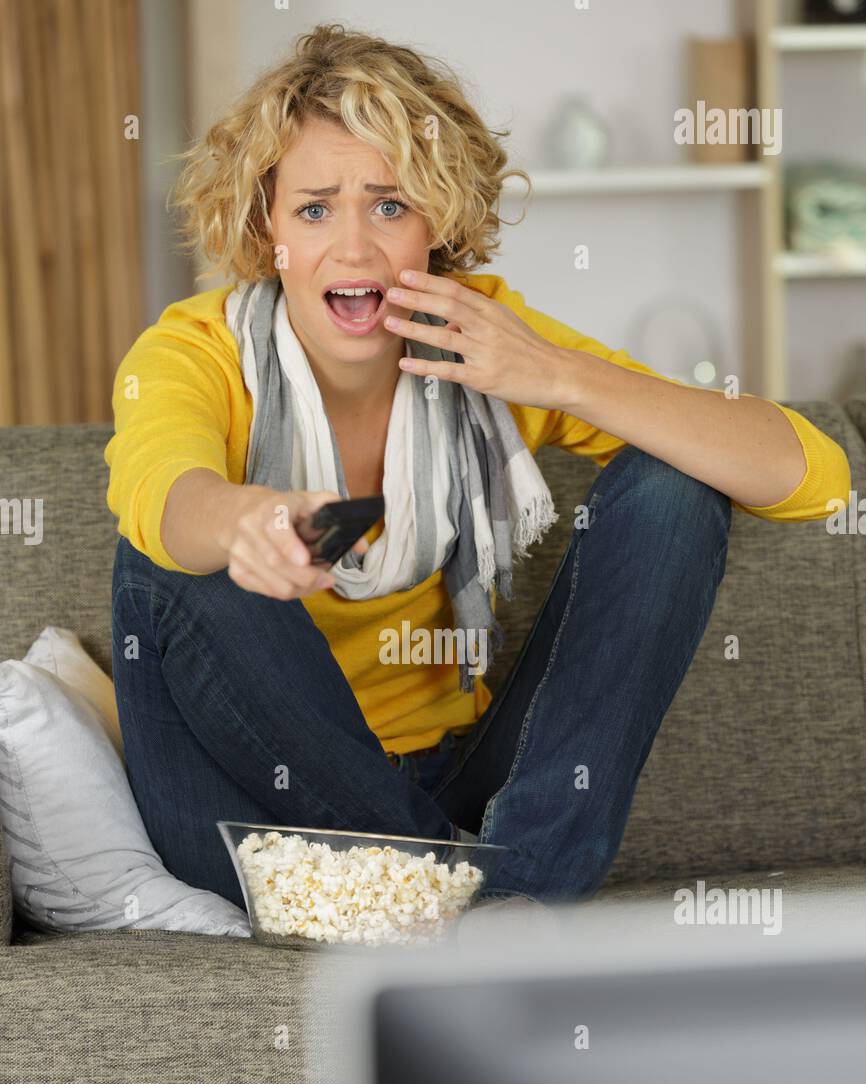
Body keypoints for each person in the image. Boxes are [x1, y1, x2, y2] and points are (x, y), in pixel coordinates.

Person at [106, 24, 850, 911]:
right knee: (168, 560)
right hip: (249, 813)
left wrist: (554, 373)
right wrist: (241, 526)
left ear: (439, 221)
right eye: (314, 208)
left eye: (390, 204)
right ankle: (501, 898)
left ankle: (483, 890)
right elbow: (164, 483)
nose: (354, 247)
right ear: (270, 232)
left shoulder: (482, 335)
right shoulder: (192, 352)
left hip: (449, 780)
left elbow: (817, 477)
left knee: (676, 482)